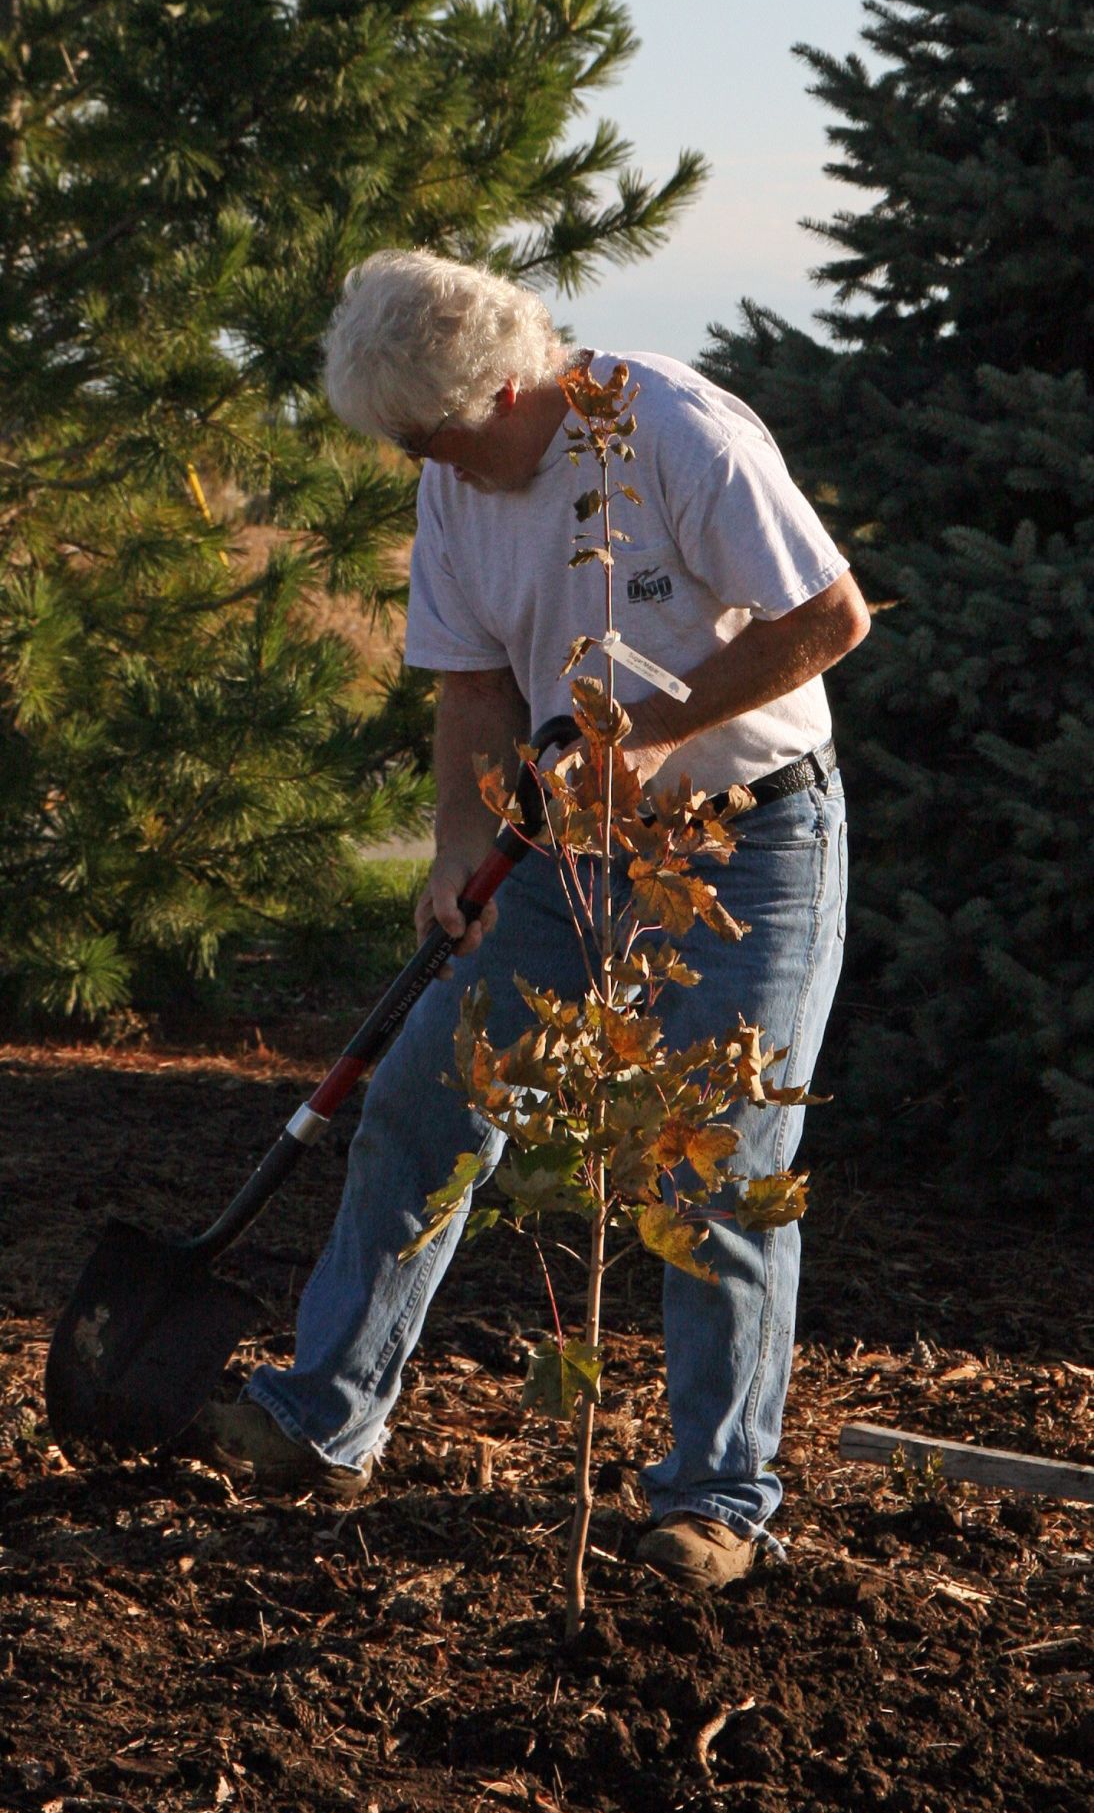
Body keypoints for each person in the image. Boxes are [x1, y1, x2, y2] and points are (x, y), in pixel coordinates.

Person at [196, 250, 870, 1592]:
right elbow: (469, 694)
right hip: (560, 857)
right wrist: (454, 852)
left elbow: (824, 618)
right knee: (424, 1105)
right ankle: (324, 1419)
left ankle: (716, 1499)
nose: (419, 463)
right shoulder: (455, 485)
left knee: (716, 1165)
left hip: (747, 841)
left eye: (432, 433)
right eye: (401, 444)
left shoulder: (671, 434)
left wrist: (649, 729)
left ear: (505, 383)